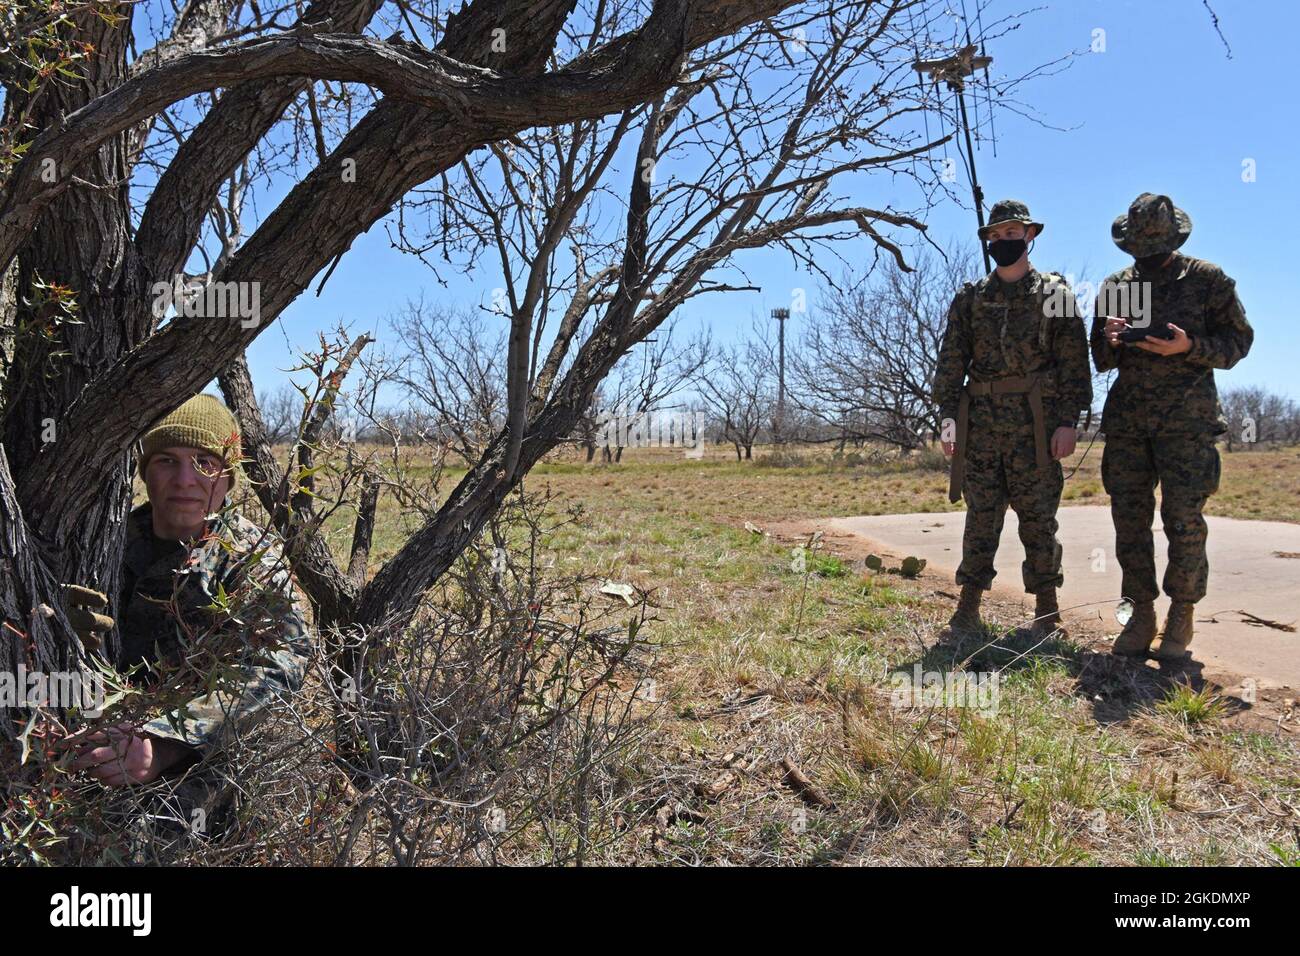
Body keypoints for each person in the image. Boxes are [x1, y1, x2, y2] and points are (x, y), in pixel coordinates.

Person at [59, 393, 311, 860]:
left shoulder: (247, 558)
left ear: (230, 476)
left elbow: (282, 664)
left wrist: (164, 744)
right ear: (144, 473)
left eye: (205, 462)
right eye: (166, 461)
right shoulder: (102, 543)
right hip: (103, 739)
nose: (185, 480)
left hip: (205, 755)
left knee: (133, 848)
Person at [1092, 193, 1253, 660]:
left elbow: (1238, 343)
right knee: (1130, 524)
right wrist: (1110, 337)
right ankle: (1140, 614)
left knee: (1183, 522)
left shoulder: (1208, 280)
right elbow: (1101, 360)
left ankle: (1181, 614)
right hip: (1128, 424)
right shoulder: (1117, 285)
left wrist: (1188, 347)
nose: (1148, 256)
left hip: (1188, 423)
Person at [932, 199, 1092, 636]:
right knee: (981, 516)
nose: (1004, 240)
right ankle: (967, 609)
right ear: (988, 240)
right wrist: (948, 418)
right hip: (980, 424)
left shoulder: (1056, 296)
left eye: (1012, 233)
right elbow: (951, 363)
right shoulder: (971, 299)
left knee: (1039, 518)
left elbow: (1075, 364)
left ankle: (1046, 610)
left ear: (1030, 235)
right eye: (996, 235)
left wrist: (1067, 422)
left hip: (1036, 425)